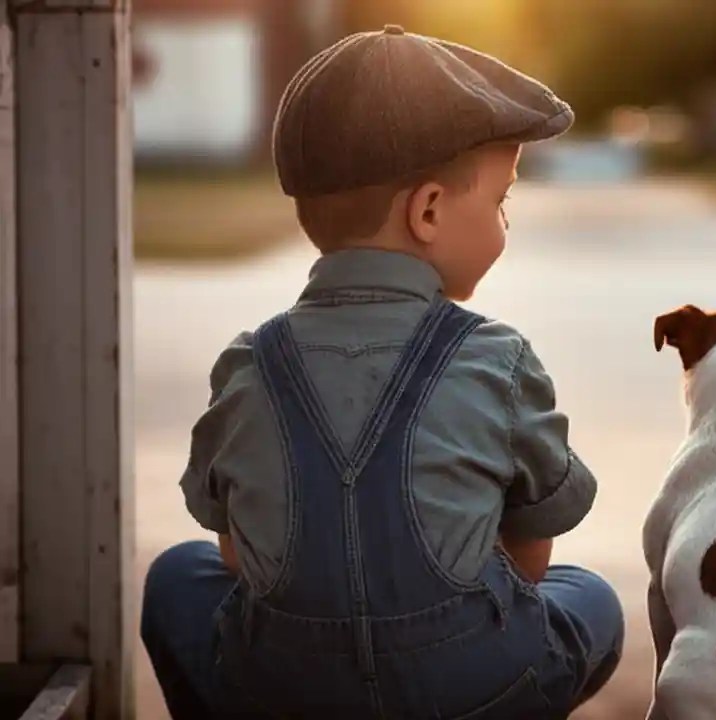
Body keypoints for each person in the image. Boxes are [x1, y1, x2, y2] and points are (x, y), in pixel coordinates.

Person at [140, 25, 623, 719]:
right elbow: (532, 559)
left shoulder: (249, 366)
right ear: (428, 211)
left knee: (176, 579)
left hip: (284, 693)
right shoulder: (499, 359)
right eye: (500, 203)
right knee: (590, 598)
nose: (503, 225)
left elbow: (240, 558)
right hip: (472, 695)